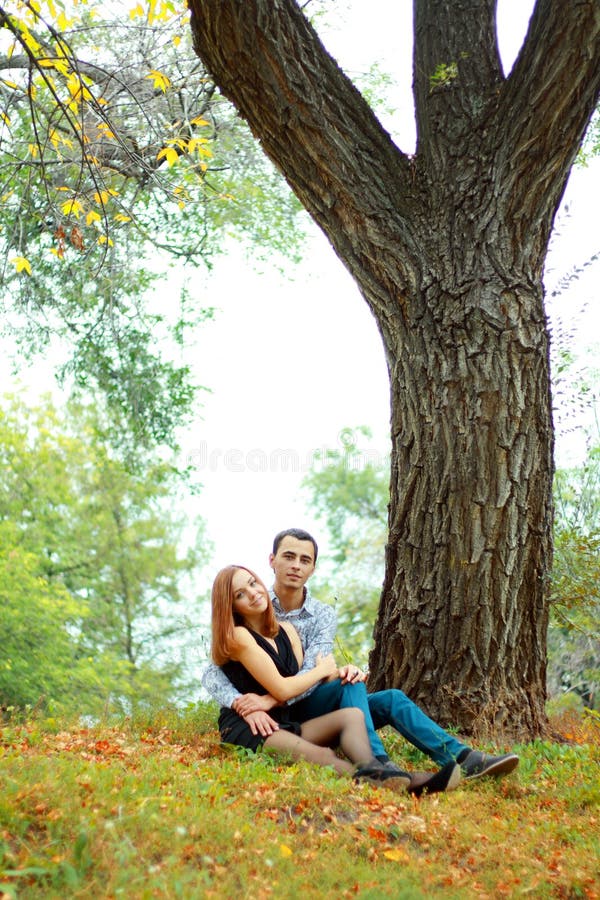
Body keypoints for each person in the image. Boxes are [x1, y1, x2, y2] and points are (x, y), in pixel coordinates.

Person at [203, 529, 519, 782]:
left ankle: (464, 758)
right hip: (279, 714)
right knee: (348, 685)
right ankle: (380, 764)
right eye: (288, 556)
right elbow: (213, 672)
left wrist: (275, 697)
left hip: (303, 703)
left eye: (305, 559)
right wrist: (241, 703)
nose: (296, 565)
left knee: (384, 695)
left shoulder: (321, 615)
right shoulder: (248, 607)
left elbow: (316, 669)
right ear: (271, 561)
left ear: (312, 568)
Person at [210, 564, 461, 797]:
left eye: (253, 583)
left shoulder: (287, 631)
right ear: (231, 607)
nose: (253, 593)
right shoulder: (239, 636)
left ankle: (377, 768)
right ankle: (411, 784)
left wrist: (338, 673)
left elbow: (303, 682)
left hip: (286, 718)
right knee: (323, 756)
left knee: (352, 716)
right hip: (253, 727)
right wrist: (322, 670)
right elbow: (283, 689)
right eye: (240, 594)